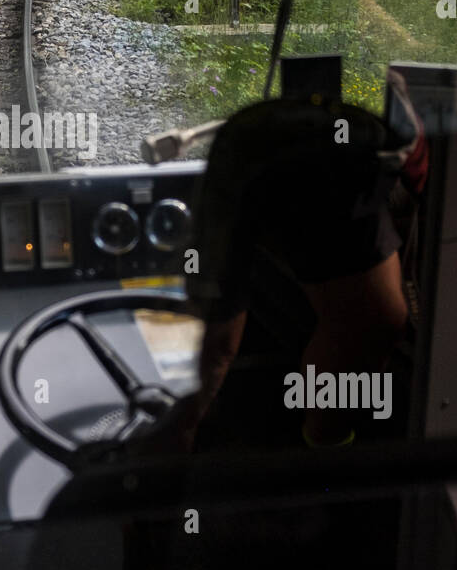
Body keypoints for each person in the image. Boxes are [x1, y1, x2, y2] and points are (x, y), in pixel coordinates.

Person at [173, 70, 428, 451]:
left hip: (274, 148)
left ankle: (182, 441)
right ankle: (325, 442)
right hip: (344, 162)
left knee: (222, 338)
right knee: (373, 322)